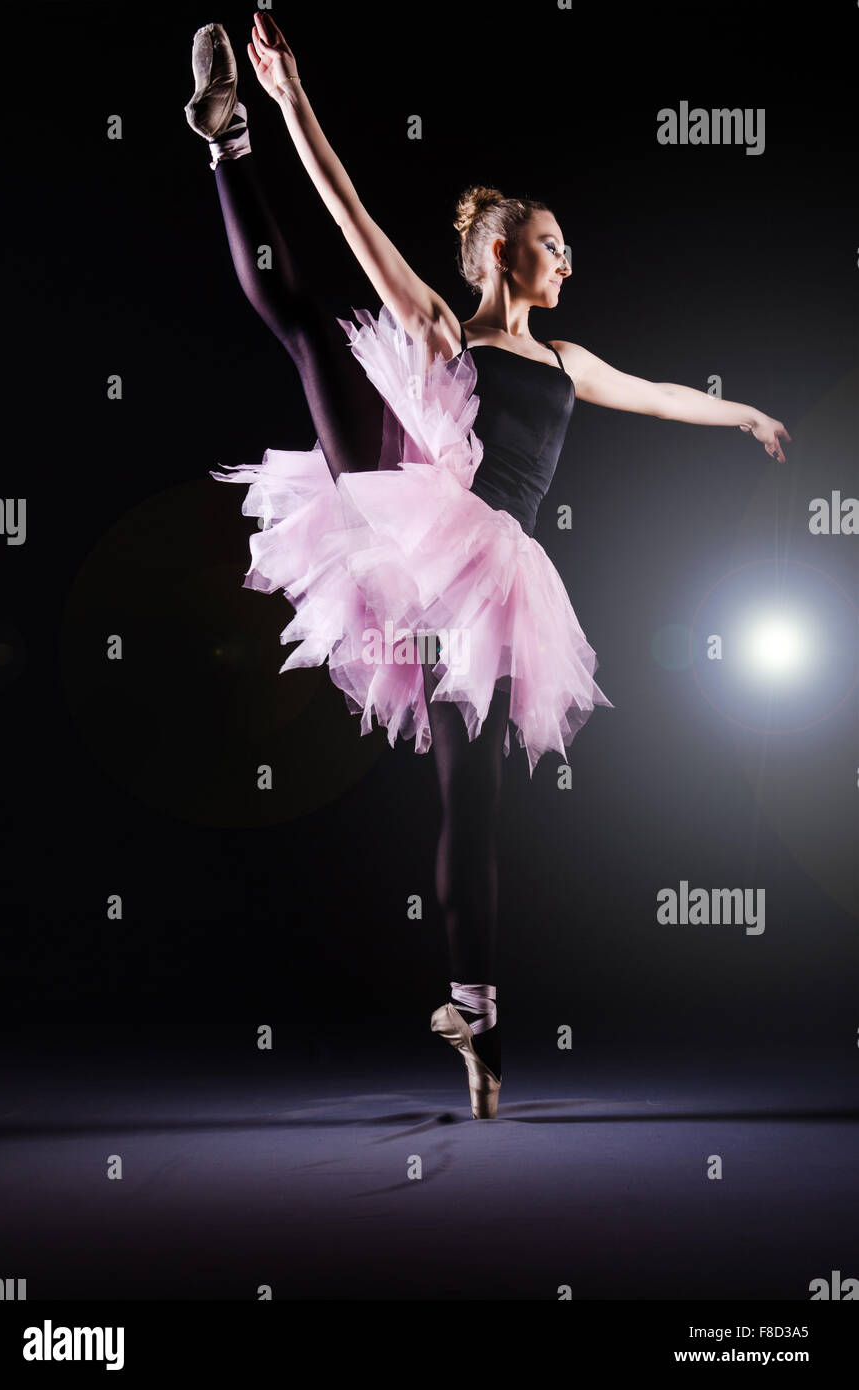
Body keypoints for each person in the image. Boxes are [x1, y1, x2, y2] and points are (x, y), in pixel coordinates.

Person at [184, 14, 791, 1119]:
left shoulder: (565, 358)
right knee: (314, 335)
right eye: (554, 244)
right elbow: (350, 211)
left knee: (474, 796)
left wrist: (738, 411)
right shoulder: (441, 328)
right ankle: (224, 148)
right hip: (413, 520)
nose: (569, 258)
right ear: (501, 252)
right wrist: (287, 102)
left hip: (484, 577)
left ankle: (475, 1013)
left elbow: (655, 395)